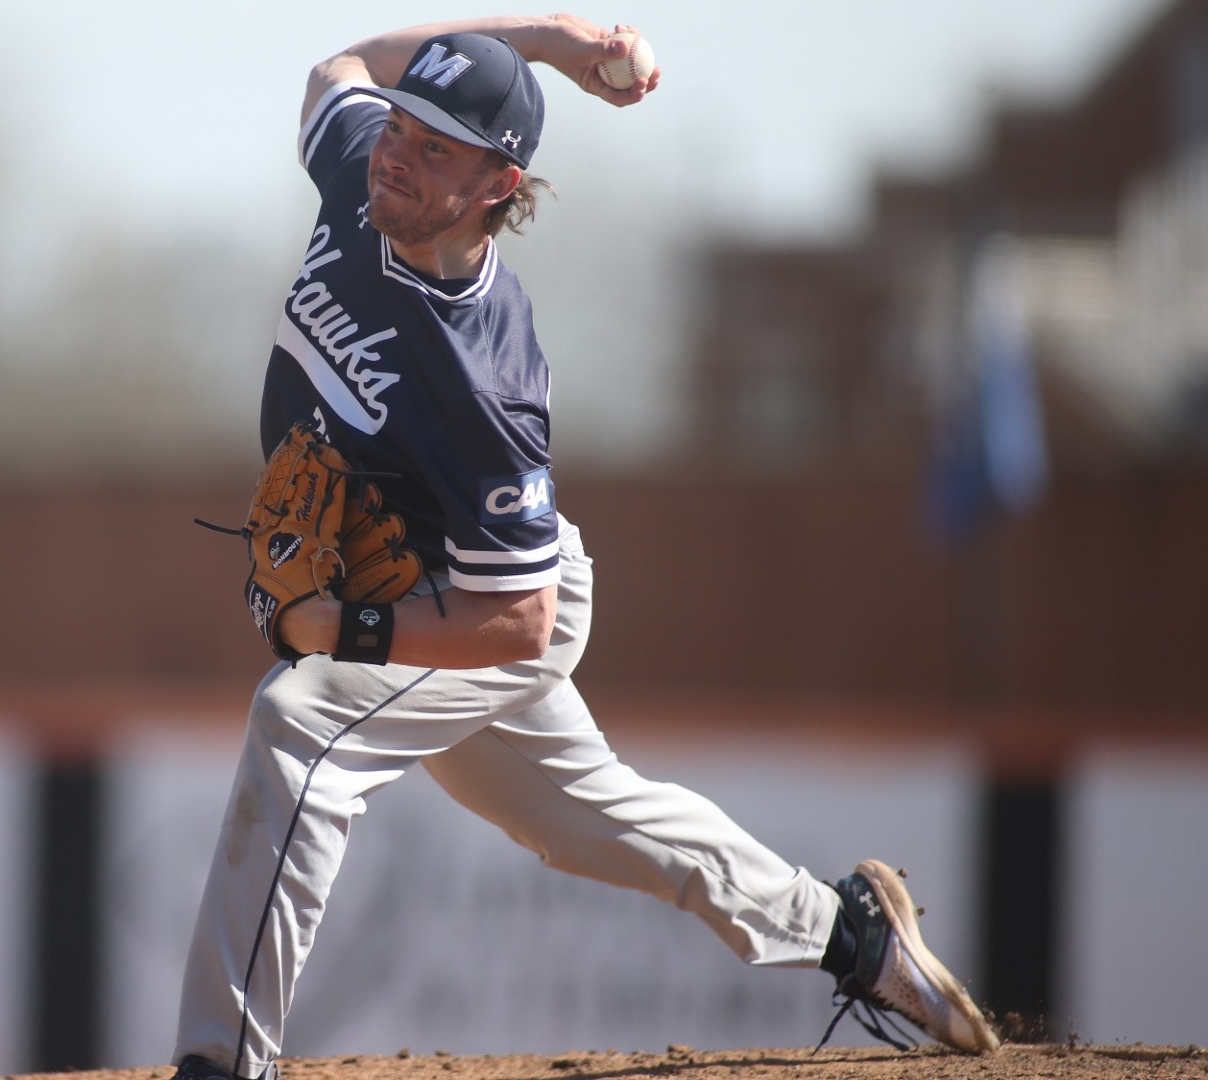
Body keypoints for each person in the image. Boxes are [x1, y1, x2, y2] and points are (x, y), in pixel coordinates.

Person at [171, 17, 1000, 1080]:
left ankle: (222, 1060)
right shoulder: (358, 182)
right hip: (442, 595)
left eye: (435, 146)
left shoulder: (484, 374)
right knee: (588, 823)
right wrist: (550, 42)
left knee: (301, 721)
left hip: (485, 605)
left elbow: (521, 621)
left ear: (494, 184)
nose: (396, 150)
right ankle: (853, 936)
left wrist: (342, 628)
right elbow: (342, 68)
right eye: (403, 127)